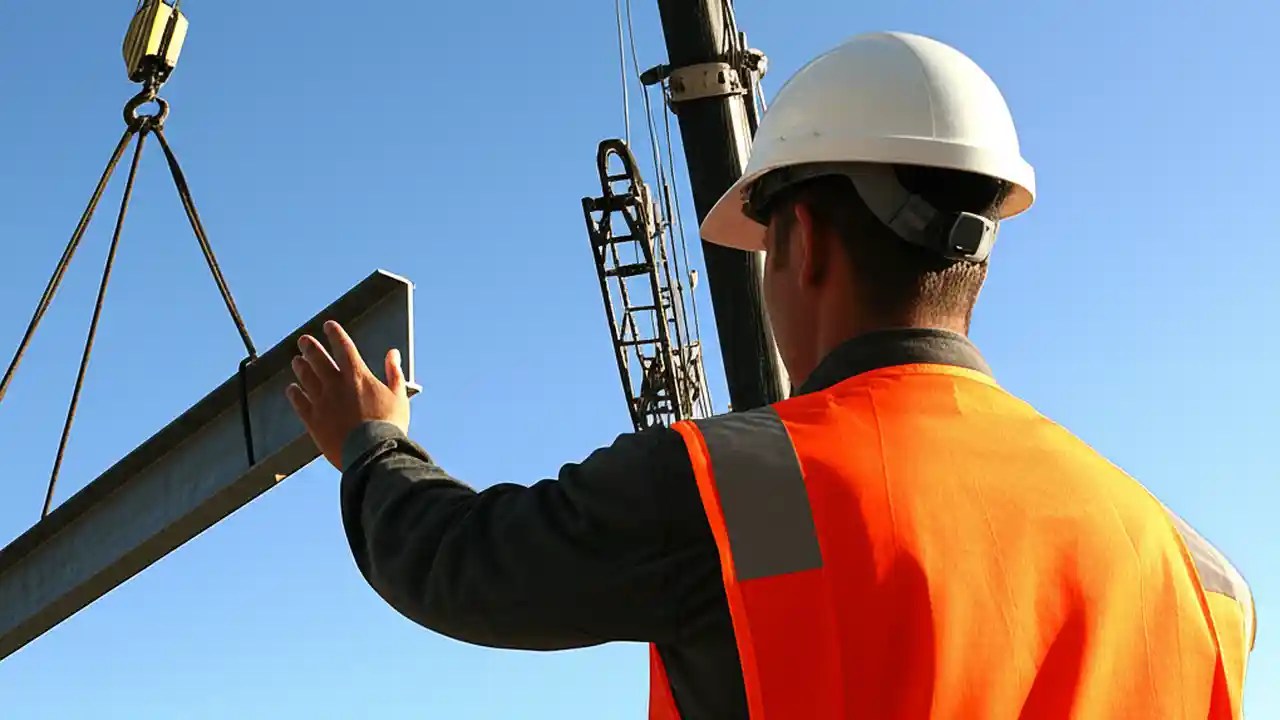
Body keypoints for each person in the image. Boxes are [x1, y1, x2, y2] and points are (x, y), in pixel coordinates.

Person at [286, 31, 1256, 719]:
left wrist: (370, 441)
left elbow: (464, 566)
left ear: (801, 242)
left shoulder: (728, 486)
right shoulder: (1202, 579)